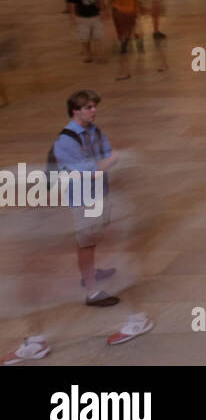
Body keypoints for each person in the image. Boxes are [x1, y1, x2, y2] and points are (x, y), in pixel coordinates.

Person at [51, 90, 121, 307]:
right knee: (86, 243)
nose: (94, 111)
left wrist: (104, 164)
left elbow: (105, 154)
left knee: (92, 238)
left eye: (94, 106)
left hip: (98, 192)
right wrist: (108, 163)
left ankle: (90, 272)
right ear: (75, 111)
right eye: (88, 108)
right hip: (83, 197)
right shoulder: (66, 141)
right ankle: (92, 291)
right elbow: (89, 171)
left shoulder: (94, 131)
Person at [66, 0, 108, 64]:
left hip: (95, 17)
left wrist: (103, 11)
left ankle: (99, 55)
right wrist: (72, 17)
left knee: (98, 36)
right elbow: (71, 6)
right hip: (82, 18)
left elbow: (100, 1)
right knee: (84, 38)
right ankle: (87, 54)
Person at [109, 0, 140, 81]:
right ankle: (125, 71)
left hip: (128, 19)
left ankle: (126, 72)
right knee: (123, 46)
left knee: (124, 47)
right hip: (120, 19)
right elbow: (111, 2)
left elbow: (136, 4)